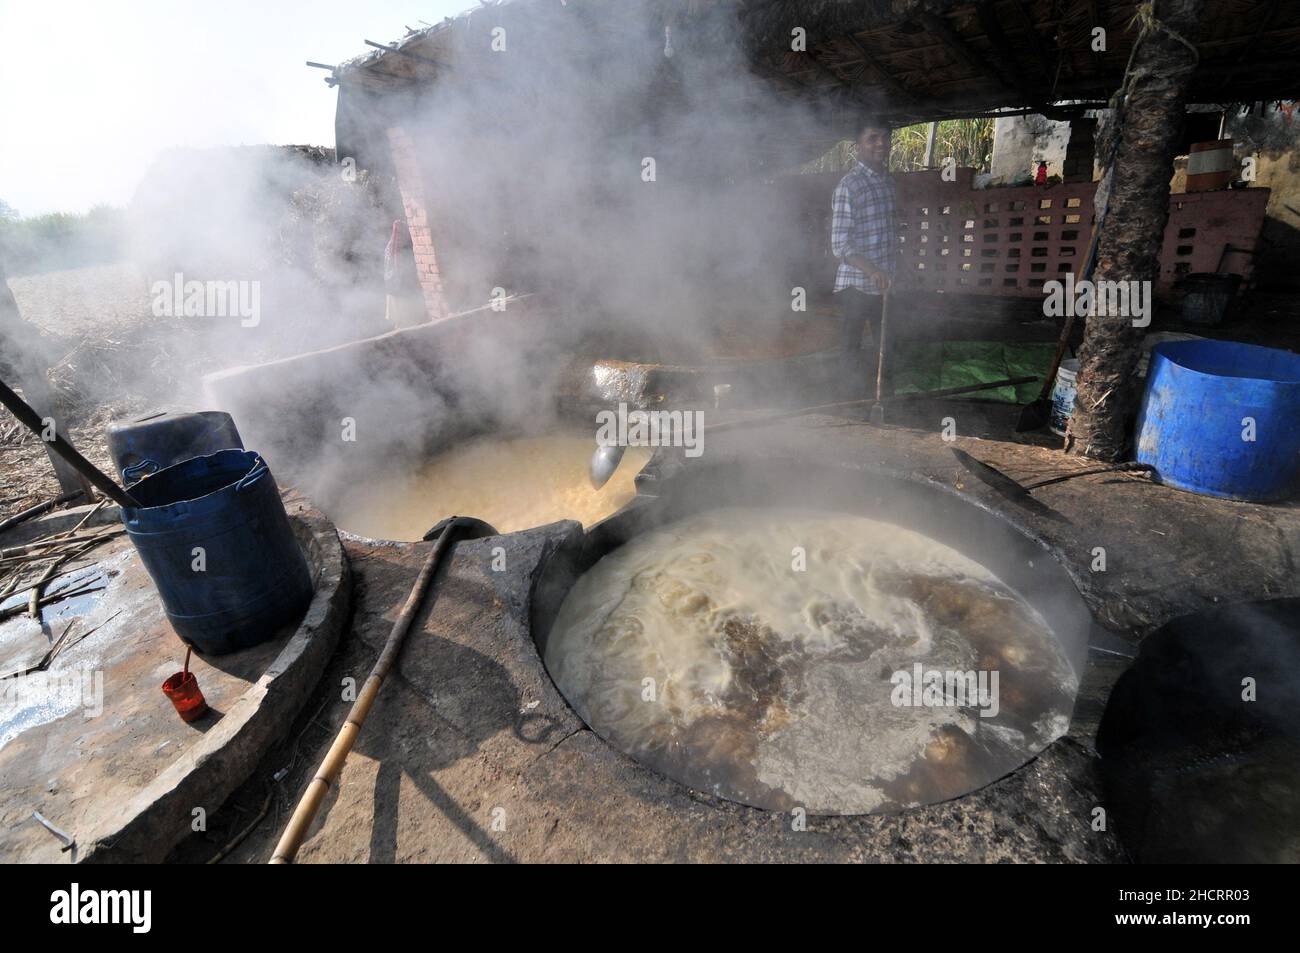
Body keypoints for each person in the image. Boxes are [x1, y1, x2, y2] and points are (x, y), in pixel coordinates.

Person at [831, 117, 899, 394]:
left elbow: (890, 232)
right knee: (851, 346)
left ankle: (884, 396)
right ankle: (848, 401)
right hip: (857, 283)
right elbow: (840, 245)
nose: (880, 143)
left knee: (888, 343)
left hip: (885, 282)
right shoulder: (849, 186)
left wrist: (898, 266)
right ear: (857, 145)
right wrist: (872, 270)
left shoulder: (888, 182)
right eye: (872, 138)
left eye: (884, 137)